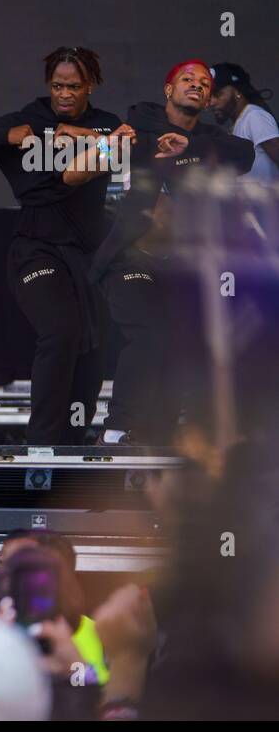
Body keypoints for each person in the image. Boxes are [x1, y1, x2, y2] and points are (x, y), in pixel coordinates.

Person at [0, 48, 122, 445]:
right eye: (58, 86)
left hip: (87, 258)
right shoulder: (27, 121)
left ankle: (71, 446)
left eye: (74, 87)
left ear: (89, 86)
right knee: (61, 331)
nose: (65, 95)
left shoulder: (107, 125)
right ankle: (40, 445)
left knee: (91, 350)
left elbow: (126, 144)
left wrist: (82, 136)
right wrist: (4, 136)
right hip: (34, 250)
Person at [74, 60, 254, 444]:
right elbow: (90, 159)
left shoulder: (210, 140)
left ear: (208, 100)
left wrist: (191, 147)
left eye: (205, 84)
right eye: (187, 79)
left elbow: (245, 154)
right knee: (148, 333)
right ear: (168, 90)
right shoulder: (138, 130)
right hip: (132, 258)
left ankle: (160, 433)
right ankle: (116, 430)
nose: (197, 85)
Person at [209, 62, 278, 185]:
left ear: (237, 92)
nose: (211, 102)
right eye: (209, 97)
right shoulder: (239, 123)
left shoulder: (254, 116)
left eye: (218, 94)